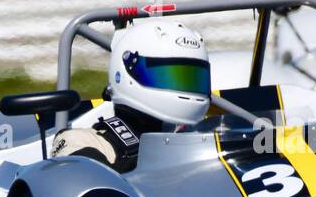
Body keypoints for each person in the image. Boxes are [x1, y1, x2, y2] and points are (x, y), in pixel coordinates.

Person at [50, 20, 211, 172]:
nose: (183, 89)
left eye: (193, 78)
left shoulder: (204, 141)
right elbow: (87, 182)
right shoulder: (81, 141)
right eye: (168, 77)